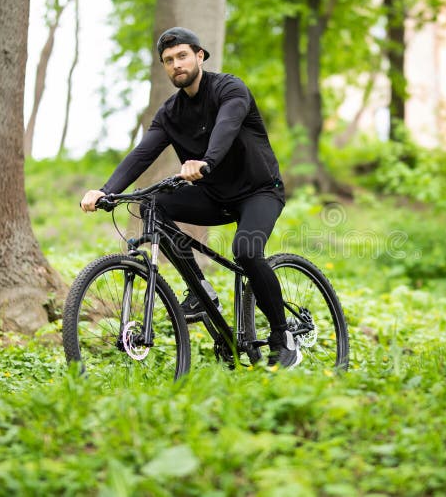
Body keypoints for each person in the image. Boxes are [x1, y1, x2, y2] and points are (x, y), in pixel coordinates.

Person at [80, 27, 300, 368]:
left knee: (246, 250)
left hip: (259, 191)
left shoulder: (230, 88)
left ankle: (280, 334)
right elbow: (141, 154)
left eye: (182, 55)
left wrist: (207, 161)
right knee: (151, 204)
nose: (175, 64)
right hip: (216, 196)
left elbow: (227, 126)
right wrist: (106, 190)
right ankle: (200, 289)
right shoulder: (170, 113)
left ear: (200, 56)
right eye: (168, 60)